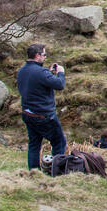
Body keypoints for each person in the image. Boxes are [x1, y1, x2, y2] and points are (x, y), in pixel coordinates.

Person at [17, 42, 67, 173]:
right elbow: (60, 85)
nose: (45, 57)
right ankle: (56, 172)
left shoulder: (22, 71)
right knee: (59, 142)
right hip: (43, 115)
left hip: (27, 113)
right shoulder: (41, 72)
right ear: (38, 55)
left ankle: (34, 172)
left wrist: (48, 73)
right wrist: (60, 73)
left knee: (34, 144)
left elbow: (36, 83)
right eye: (44, 54)